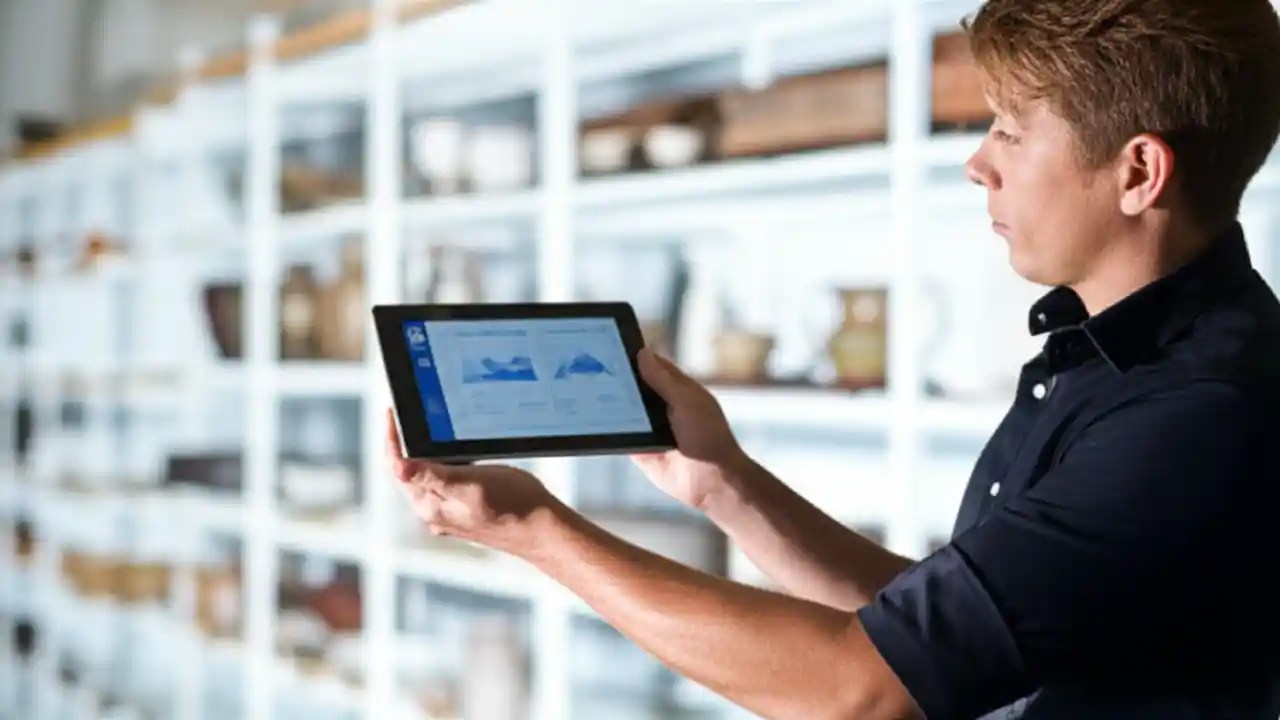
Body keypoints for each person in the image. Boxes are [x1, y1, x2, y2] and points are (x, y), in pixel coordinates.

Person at [385, 0, 1280, 717]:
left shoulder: (1194, 415)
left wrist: (536, 531)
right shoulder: (1112, 359)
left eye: (1011, 130)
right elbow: (944, 634)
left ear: (1138, 173)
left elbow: (860, 692)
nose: (979, 163)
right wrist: (723, 483)